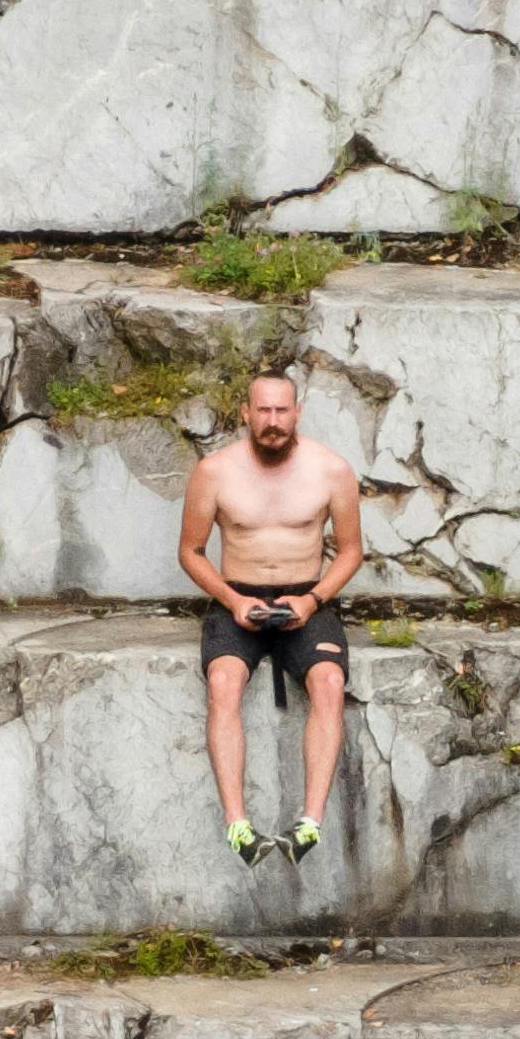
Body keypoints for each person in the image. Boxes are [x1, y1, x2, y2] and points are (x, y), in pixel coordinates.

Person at [175, 359, 368, 869]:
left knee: (329, 682)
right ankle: (239, 826)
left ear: (297, 412)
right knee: (223, 682)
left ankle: (309, 823)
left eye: (282, 410)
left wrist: (313, 600)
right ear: (245, 412)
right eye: (263, 410)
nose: (273, 421)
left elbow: (351, 551)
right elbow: (191, 551)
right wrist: (233, 600)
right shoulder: (215, 471)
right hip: (237, 596)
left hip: (306, 596)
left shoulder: (332, 470)